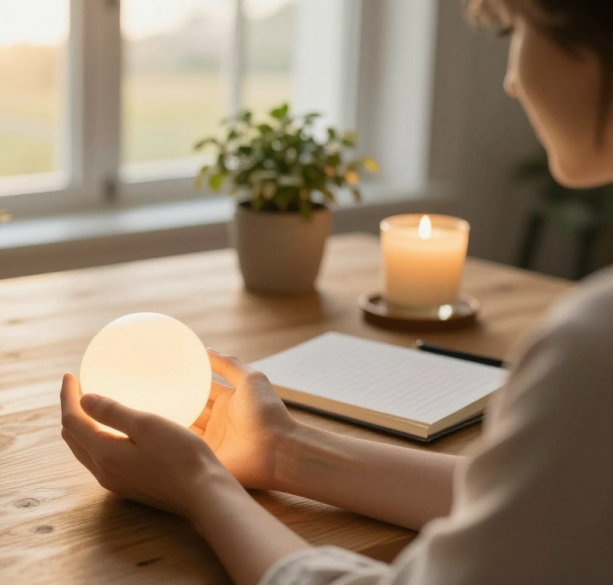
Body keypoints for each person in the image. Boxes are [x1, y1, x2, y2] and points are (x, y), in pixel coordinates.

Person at [60, 1, 613, 584]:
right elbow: (546, 505)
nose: (511, 78)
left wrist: (202, 488)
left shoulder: (592, 348)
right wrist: (283, 450)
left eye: (512, 27)